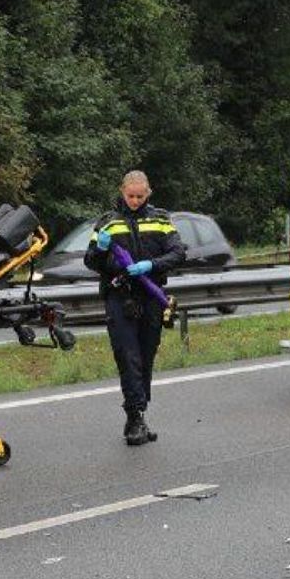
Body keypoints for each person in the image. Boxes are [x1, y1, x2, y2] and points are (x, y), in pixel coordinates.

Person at [84, 171, 187, 445]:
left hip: (152, 297)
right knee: (127, 356)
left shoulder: (161, 219)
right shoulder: (108, 222)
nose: (135, 201)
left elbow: (178, 253)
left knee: (145, 356)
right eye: (130, 195)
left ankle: (140, 413)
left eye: (140, 196)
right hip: (120, 297)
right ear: (122, 191)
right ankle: (134, 417)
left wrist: (151, 265)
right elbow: (91, 261)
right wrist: (101, 249)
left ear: (148, 193)